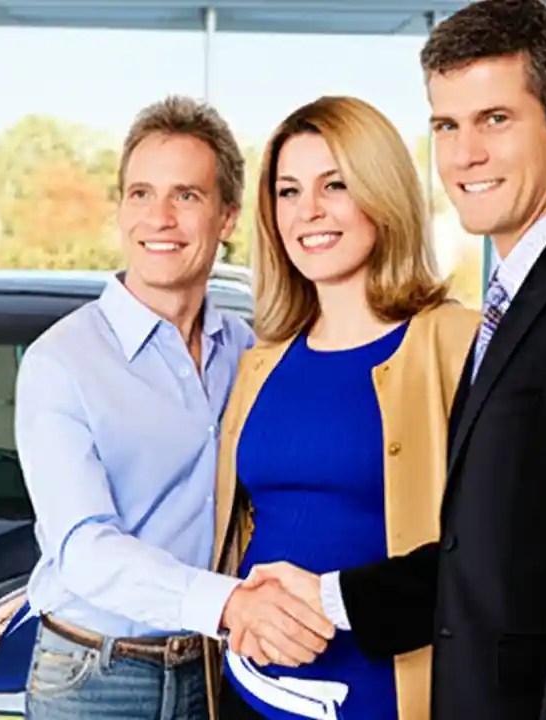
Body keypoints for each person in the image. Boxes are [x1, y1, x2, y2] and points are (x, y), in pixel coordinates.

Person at [245, 1, 546, 718]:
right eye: (447, 125)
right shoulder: (521, 299)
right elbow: (499, 559)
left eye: (495, 119)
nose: (465, 154)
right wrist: (328, 596)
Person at [14, 95, 334, 720]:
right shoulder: (62, 362)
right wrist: (231, 603)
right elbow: (83, 548)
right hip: (98, 677)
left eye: (185, 196)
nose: (158, 218)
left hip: (220, 672)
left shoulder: (248, 352)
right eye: (139, 194)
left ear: (227, 217)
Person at [201, 95, 479, 720]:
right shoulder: (260, 362)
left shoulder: (455, 343)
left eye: (336, 185)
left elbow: (493, 554)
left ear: (383, 193)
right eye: (289, 191)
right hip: (251, 692)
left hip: (383, 697)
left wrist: (331, 601)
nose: (310, 212)